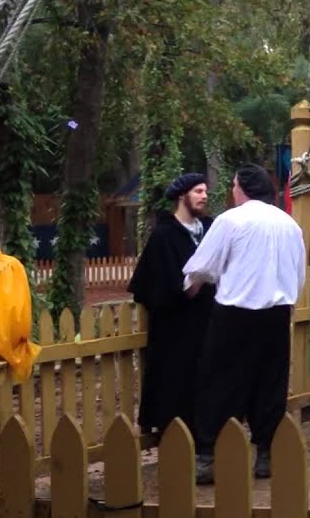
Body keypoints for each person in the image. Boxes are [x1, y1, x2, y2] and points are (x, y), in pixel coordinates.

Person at [184, 164, 305, 484]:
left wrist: (191, 285)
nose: (232, 191)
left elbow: (203, 267)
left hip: (234, 313)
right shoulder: (289, 224)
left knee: (219, 382)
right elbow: (298, 273)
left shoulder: (230, 220)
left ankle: (209, 456)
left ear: (244, 189)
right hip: (277, 312)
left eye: (234, 185)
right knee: (270, 383)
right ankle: (266, 453)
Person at [127, 173, 215, 441]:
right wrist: (186, 287)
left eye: (205, 191)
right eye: (198, 191)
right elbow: (152, 284)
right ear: (182, 196)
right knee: (175, 383)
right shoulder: (164, 235)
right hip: (174, 327)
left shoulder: (211, 229)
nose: (204, 196)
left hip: (208, 322)